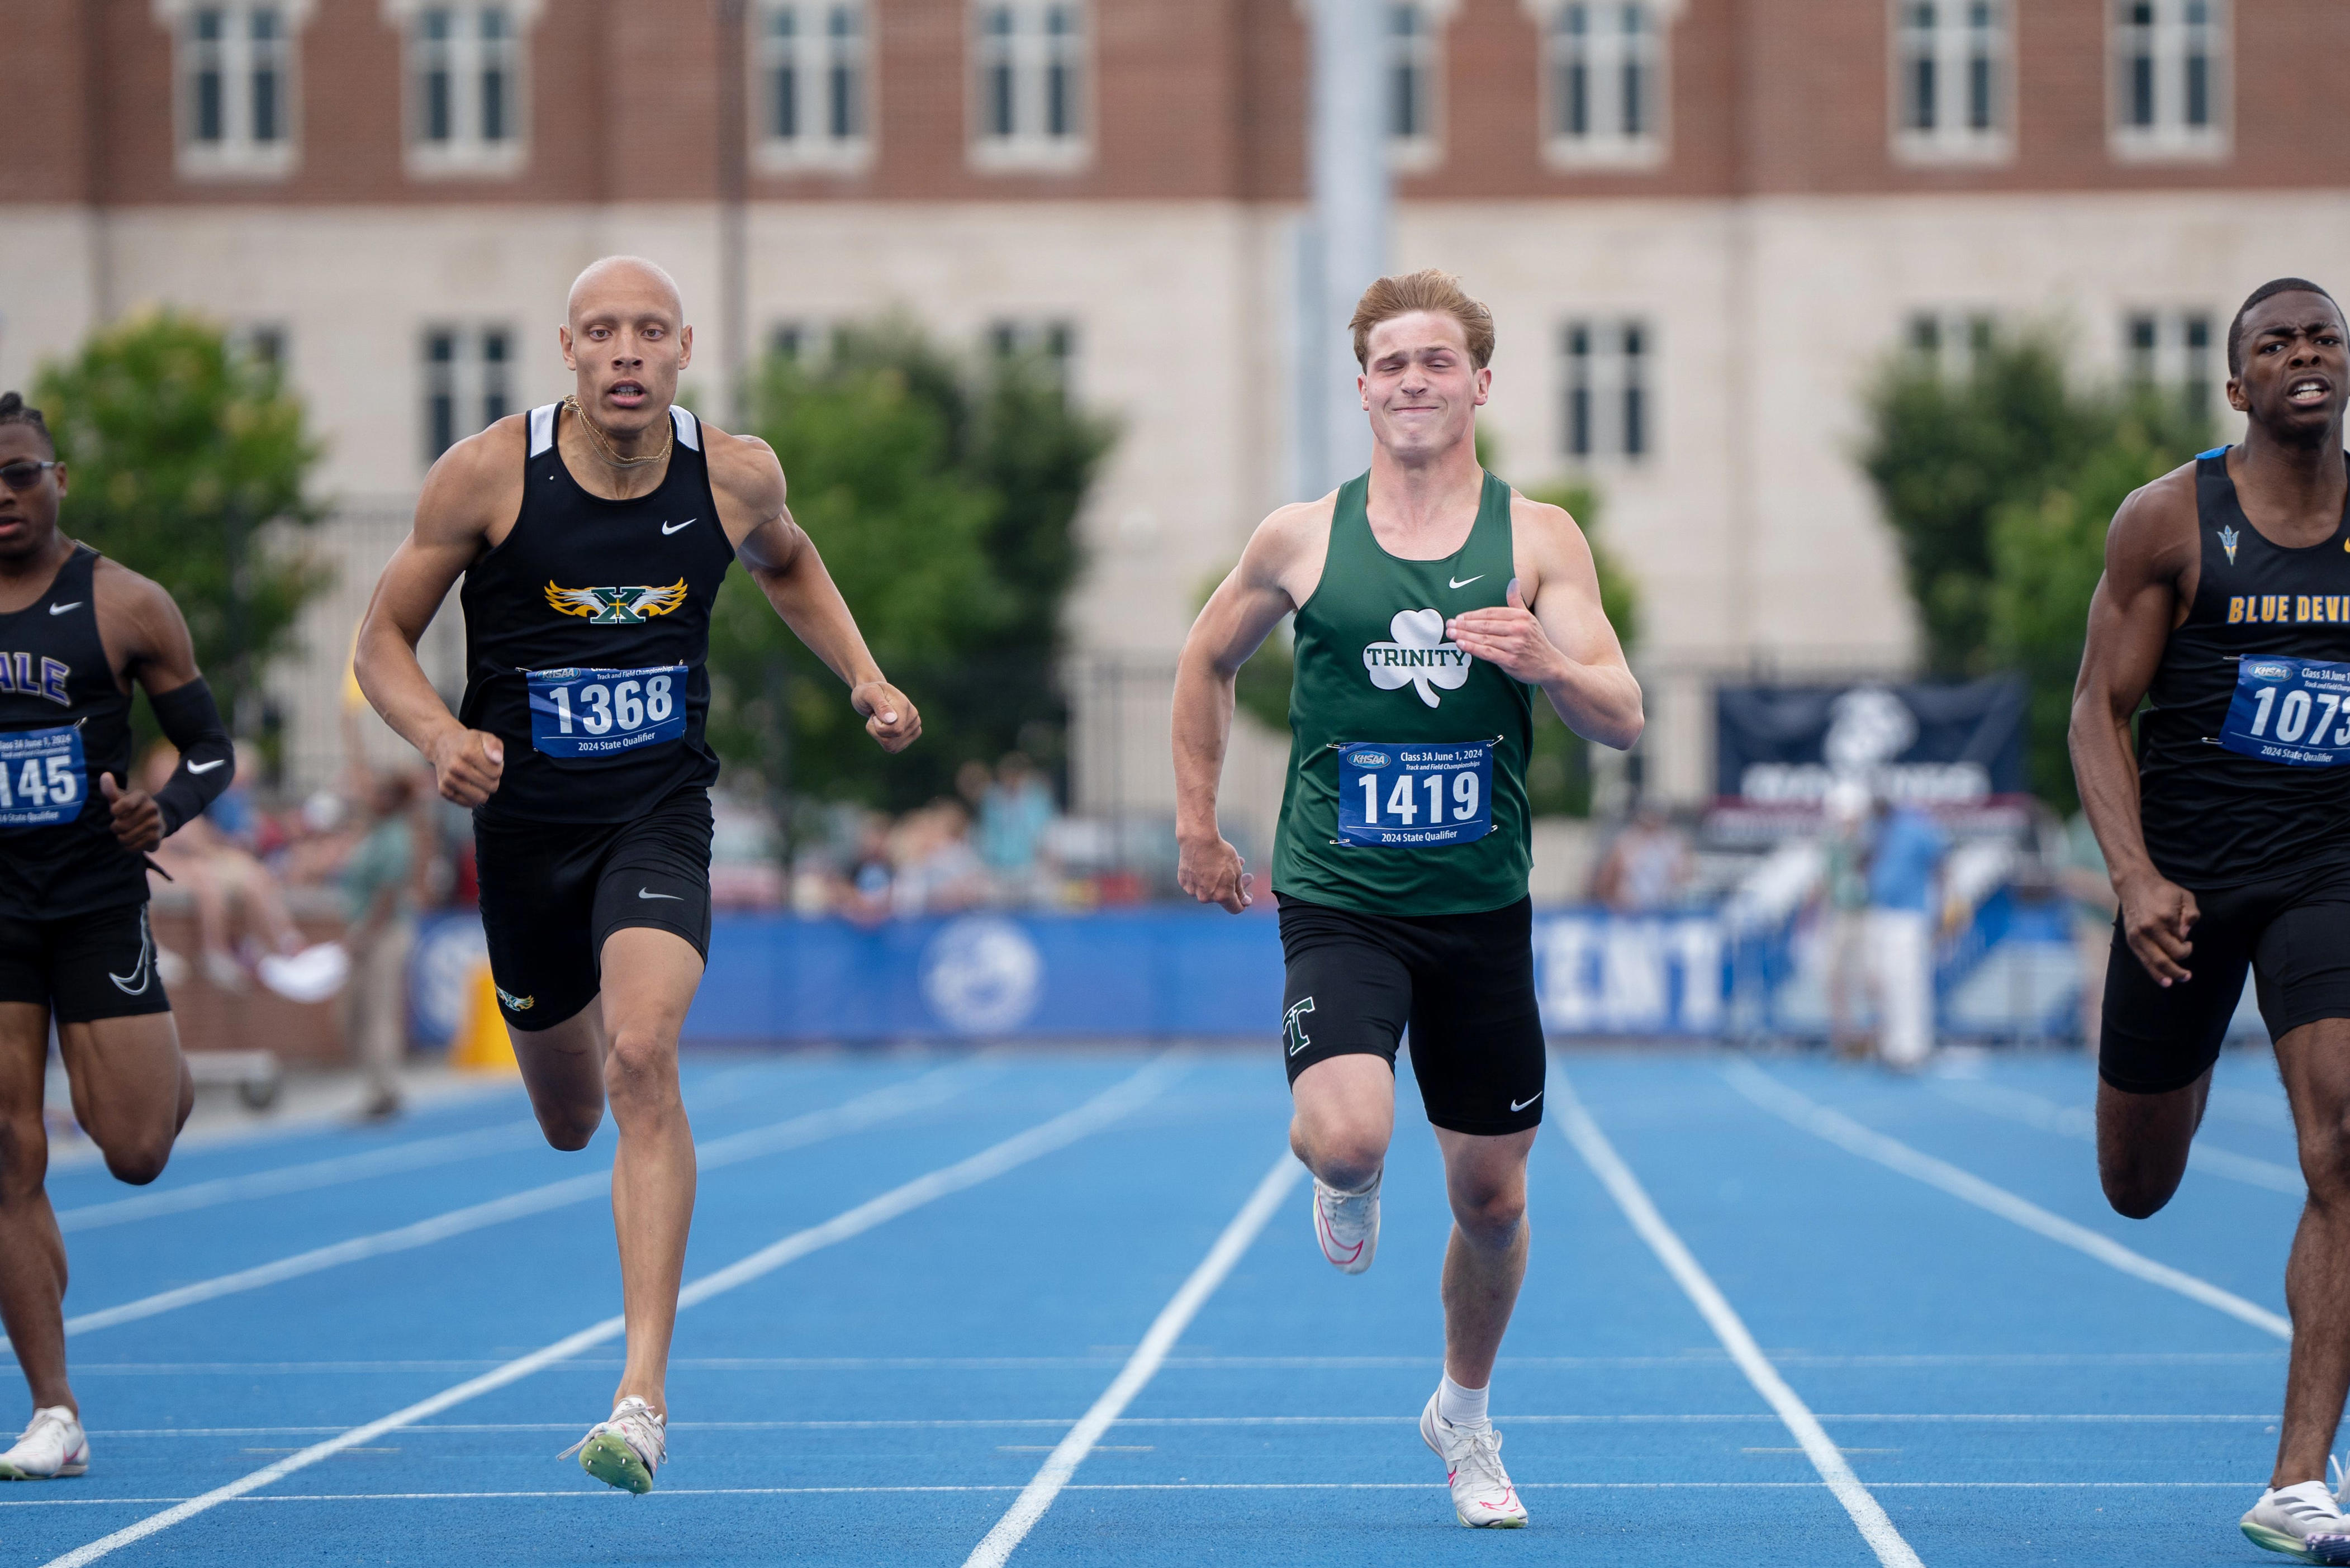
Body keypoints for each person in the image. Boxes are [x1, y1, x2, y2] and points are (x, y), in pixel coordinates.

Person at [354, 256, 919, 1495]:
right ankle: (562, 1042)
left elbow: (789, 560)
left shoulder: (736, 471)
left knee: (643, 1057)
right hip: (523, 829)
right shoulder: (488, 474)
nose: (625, 351)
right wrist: (440, 737)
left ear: (682, 350)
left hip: (656, 813)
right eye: (601, 331)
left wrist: (863, 676)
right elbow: (379, 636)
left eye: (647, 332)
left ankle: (641, 1391)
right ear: (565, 347)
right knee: (569, 1114)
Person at [1172, 270, 1641, 1530]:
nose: (1415, 381)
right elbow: (1202, 660)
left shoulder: (1537, 537)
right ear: (1364, 386)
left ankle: (1463, 1417)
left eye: (1437, 360)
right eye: (1391, 363)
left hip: (1480, 911)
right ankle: (1344, 1169)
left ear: (1479, 382)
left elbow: (1622, 714)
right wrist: (1195, 821)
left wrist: (1545, 660)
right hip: (1340, 900)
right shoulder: (1301, 537)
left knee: (1489, 1200)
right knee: (1349, 1136)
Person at [2068, 278, 2350, 1557]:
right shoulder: (2167, 522)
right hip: (2181, 889)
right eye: (2271, 345)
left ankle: (2296, 1477)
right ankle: (2161, 1072)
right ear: (2235, 387)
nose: (2301, 355)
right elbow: (2091, 710)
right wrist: (2131, 876)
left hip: (2322, 876)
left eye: (2320, 338)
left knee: (2339, 1138)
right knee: (2134, 1182)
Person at [0, 390, 236, 1480]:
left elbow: (208, 752)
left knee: (135, 1146)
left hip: (96, 898)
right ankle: (55, 1406)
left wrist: (165, 812)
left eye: (20, 474)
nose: (4, 498)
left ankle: (162, 1074)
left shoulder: (128, 604)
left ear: (58, 479)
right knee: (8, 1148)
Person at [339, 768, 422, 1122]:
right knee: (355, 1012)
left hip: (384, 933)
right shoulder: (375, 833)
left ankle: (384, 1088)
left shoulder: (396, 839)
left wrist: (364, 933)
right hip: (368, 930)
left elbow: (388, 895)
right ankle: (375, 1083)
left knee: (380, 1013)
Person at [1864, 797, 1947, 1071]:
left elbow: (1940, 861)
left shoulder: (1914, 826)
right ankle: (1892, 1045)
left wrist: (1942, 905)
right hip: (1882, 913)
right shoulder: (1879, 828)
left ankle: (1913, 1047)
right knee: (1886, 983)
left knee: (1908, 982)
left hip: (1909, 915)